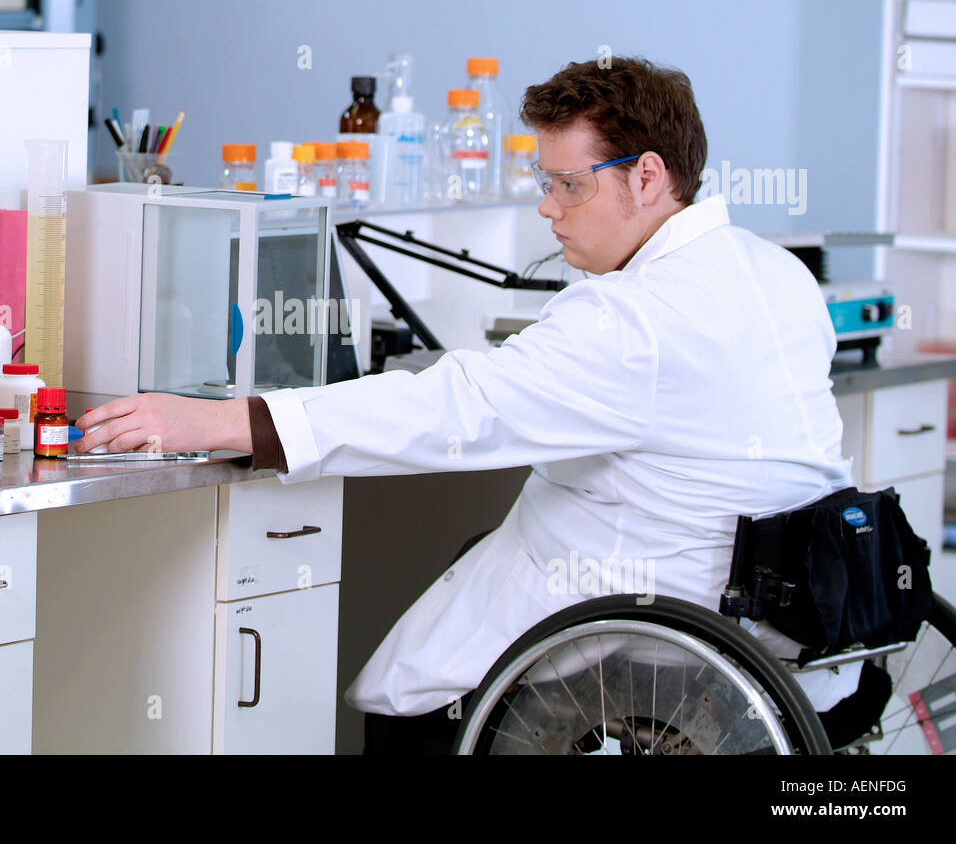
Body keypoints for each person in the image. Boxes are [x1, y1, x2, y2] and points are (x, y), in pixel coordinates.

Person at [73, 57, 860, 753]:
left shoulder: (631, 317)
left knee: (401, 694)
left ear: (648, 176)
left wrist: (229, 419)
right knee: (471, 548)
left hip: (643, 642)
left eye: (568, 185)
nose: (548, 208)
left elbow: (457, 408)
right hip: (776, 635)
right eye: (545, 182)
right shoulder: (774, 270)